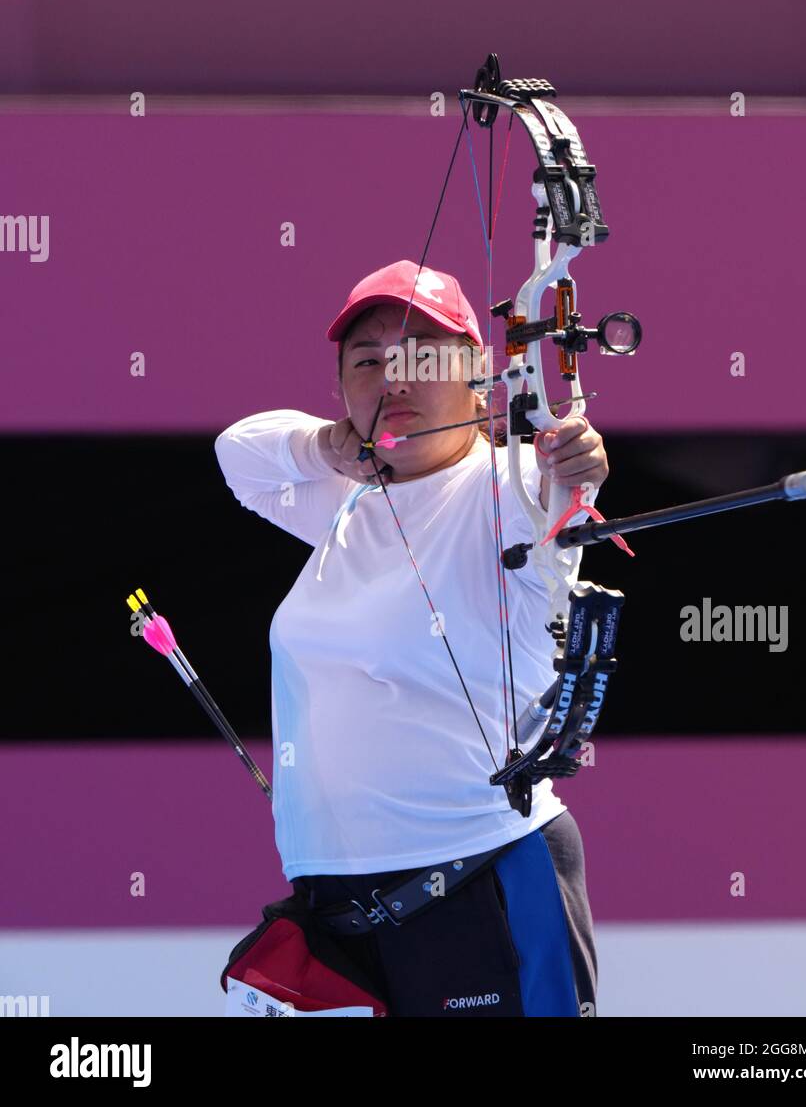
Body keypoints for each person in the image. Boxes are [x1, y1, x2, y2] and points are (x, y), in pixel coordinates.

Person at [214, 259, 609, 1017]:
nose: (394, 380)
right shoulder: (345, 504)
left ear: (483, 379)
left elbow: (560, 486)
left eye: (423, 358)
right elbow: (240, 453)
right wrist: (332, 446)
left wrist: (574, 464)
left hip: (485, 883)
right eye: (369, 363)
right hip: (340, 912)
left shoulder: (510, 487)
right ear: (339, 389)